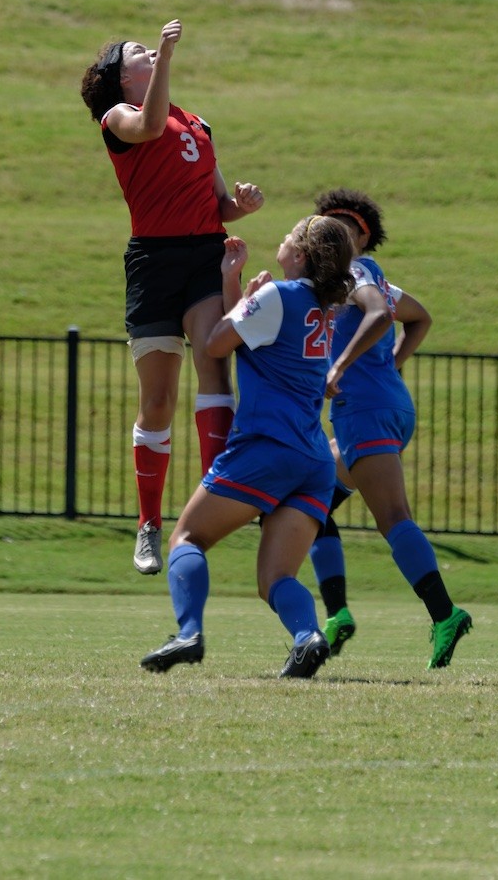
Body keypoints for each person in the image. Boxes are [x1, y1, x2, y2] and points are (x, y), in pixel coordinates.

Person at [80, 20, 265, 576]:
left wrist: (242, 205)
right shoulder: (118, 118)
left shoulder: (197, 122)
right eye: (136, 52)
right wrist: (163, 50)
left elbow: (219, 203)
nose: (146, 52)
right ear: (122, 77)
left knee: (214, 363)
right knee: (158, 401)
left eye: (148, 49)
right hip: (153, 262)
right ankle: (149, 524)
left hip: (204, 253)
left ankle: (219, 493)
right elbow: (150, 124)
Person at [138, 217, 360, 680]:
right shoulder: (322, 309)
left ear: (299, 256)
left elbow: (218, 344)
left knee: (188, 538)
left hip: (267, 449)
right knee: (275, 579)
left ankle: (189, 632)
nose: (282, 237)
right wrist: (232, 282)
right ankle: (307, 637)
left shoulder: (280, 295)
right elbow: (258, 341)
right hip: (314, 461)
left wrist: (250, 291)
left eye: (291, 235)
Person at [303, 189, 474, 670]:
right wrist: (392, 368)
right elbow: (418, 317)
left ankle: (445, 613)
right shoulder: (344, 281)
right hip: (382, 407)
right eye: (325, 222)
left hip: (366, 411)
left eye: (342, 224)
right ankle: (336, 615)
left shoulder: (356, 273)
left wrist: (340, 369)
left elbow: (382, 315)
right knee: (312, 501)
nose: (331, 230)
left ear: (361, 237)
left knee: (393, 517)